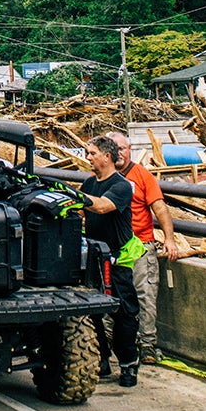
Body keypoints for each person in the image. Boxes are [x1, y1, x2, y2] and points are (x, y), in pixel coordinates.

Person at [109, 131, 183, 365]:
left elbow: (160, 209)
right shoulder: (101, 177)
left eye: (122, 148)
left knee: (145, 294)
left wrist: (169, 239)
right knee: (109, 296)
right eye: (113, 149)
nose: (118, 153)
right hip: (114, 247)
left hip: (140, 244)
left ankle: (148, 344)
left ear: (129, 149)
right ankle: (109, 342)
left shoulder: (142, 176)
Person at [78, 135, 140, 387]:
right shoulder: (90, 183)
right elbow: (80, 211)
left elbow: (103, 207)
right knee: (92, 312)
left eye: (92, 153)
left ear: (106, 156)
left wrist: (75, 197)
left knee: (124, 313)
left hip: (117, 259)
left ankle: (128, 364)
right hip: (93, 256)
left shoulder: (122, 185)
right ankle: (101, 359)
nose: (88, 157)